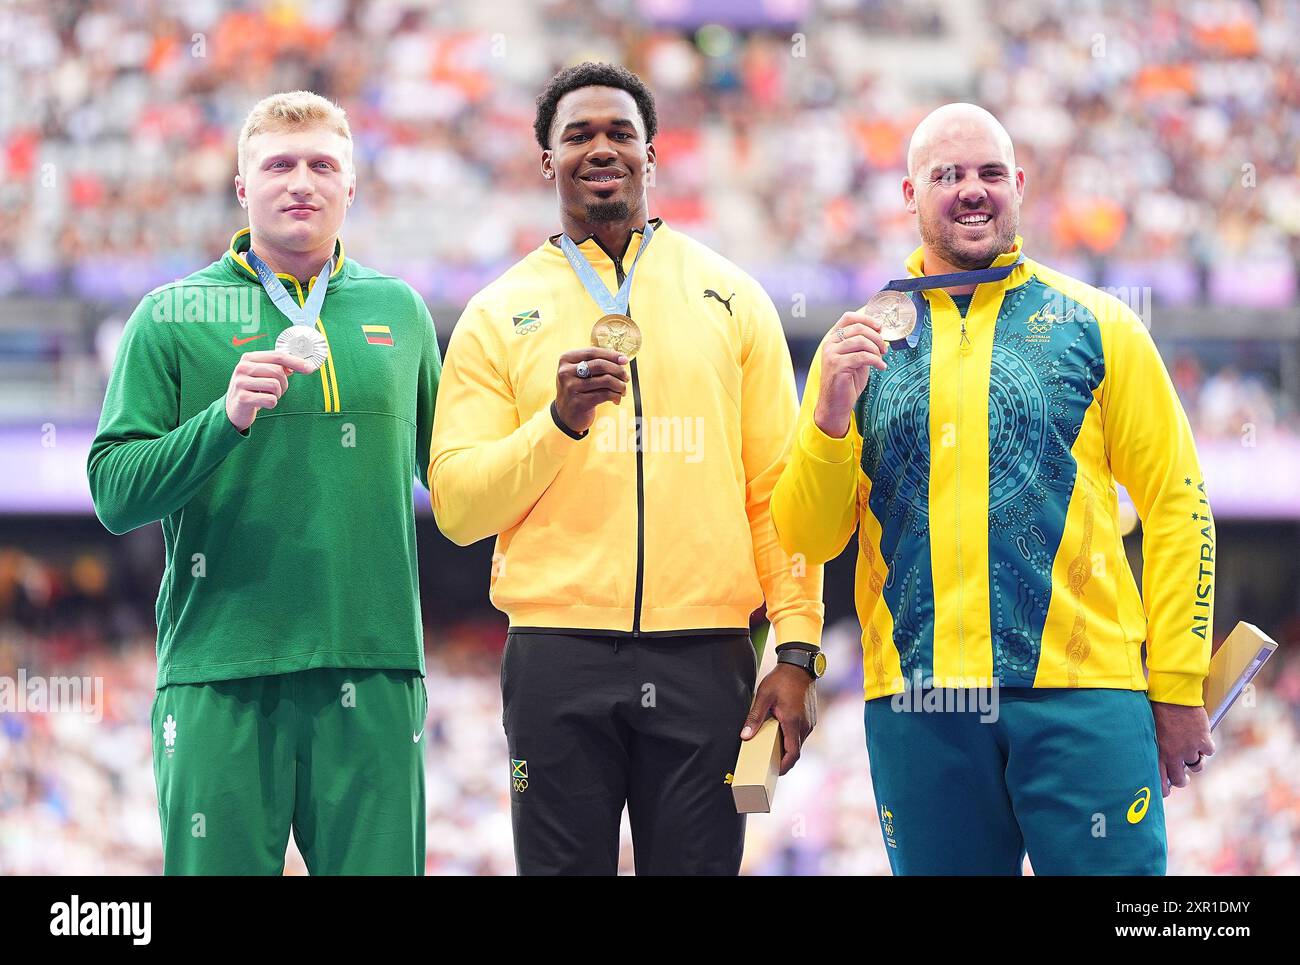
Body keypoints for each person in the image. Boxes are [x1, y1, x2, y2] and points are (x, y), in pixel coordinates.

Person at [771, 103, 1216, 875]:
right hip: (921, 703)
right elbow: (808, 537)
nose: (970, 190)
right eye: (946, 175)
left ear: (1018, 184)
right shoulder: (857, 346)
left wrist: (1177, 681)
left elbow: (1179, 505)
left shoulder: (1099, 324)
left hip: (1083, 696)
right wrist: (831, 418)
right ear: (910, 196)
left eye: (987, 174)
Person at [428, 63, 824, 875]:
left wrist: (796, 647)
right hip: (554, 656)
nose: (600, 148)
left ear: (653, 154)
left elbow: (775, 496)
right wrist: (558, 424)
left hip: (707, 654)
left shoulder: (732, 297)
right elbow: (460, 505)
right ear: (546, 159)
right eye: (577, 135)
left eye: (620, 133)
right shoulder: (497, 314)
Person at [88, 90, 441, 875]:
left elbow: (454, 477)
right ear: (242, 187)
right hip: (220, 670)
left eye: (323, 165)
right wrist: (225, 418)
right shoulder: (172, 314)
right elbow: (113, 491)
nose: (301, 182)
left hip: (373, 664)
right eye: (278, 165)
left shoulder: (401, 312)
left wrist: (559, 426)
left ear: (352, 186)